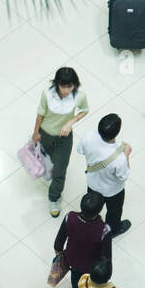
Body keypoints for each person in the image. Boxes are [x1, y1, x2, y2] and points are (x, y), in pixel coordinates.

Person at [31, 67, 89, 219]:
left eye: (70, 86)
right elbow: (40, 114)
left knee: (60, 171)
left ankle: (54, 197)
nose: (66, 90)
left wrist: (71, 121)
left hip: (64, 138)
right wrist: (36, 132)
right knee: (45, 160)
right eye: (63, 86)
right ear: (57, 84)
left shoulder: (79, 97)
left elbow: (85, 110)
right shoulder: (47, 94)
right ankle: (47, 169)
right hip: (46, 134)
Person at [77, 113, 132, 238]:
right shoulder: (119, 157)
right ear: (116, 133)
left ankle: (87, 223)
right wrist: (127, 154)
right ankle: (112, 230)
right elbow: (123, 176)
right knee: (114, 212)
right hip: (112, 191)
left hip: (92, 183)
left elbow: (80, 150)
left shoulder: (88, 136)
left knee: (92, 207)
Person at [54, 194, 112, 288]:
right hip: (93, 266)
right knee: (92, 285)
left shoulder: (69, 217)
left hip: (73, 261)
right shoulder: (104, 229)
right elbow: (106, 256)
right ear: (99, 210)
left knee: (76, 282)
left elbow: (59, 241)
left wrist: (59, 253)